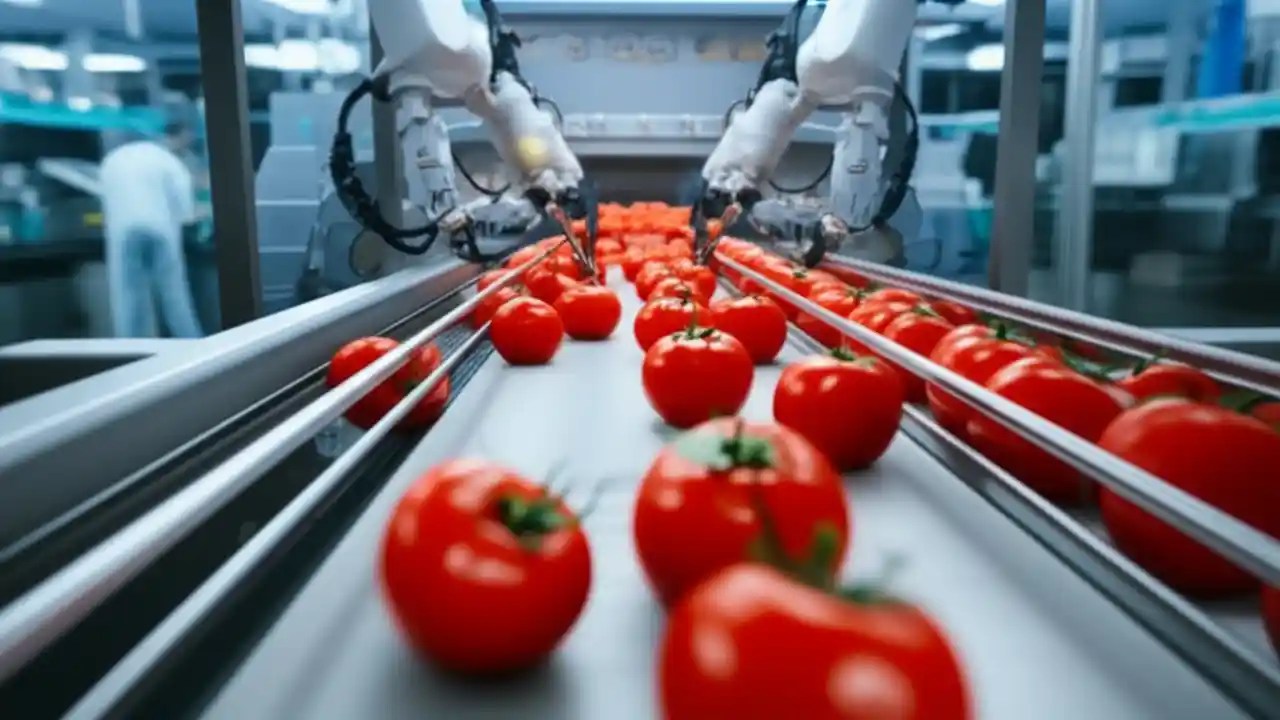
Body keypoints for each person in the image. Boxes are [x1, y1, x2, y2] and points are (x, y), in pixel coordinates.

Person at [99, 120, 204, 338]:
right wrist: (198, 213)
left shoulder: (112, 159)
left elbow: (107, 202)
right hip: (160, 229)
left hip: (123, 232)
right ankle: (193, 344)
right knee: (174, 294)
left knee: (128, 296)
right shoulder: (168, 160)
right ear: (179, 137)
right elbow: (186, 212)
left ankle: (130, 350)